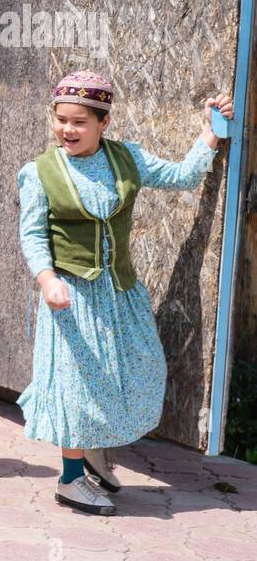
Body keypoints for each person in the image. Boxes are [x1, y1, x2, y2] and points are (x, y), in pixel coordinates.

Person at [17, 71, 231, 515]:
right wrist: (47, 279)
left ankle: (93, 449)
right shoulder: (40, 173)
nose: (67, 130)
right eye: (61, 120)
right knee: (74, 386)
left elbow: (181, 177)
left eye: (79, 122)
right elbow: (33, 235)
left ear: (104, 122)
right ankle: (71, 480)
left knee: (139, 371)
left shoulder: (125, 159)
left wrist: (208, 135)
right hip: (70, 296)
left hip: (120, 292)